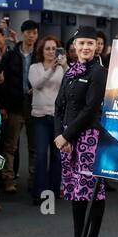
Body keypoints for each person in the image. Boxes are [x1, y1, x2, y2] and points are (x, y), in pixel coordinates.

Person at [54, 27, 107, 237]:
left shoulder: (98, 72)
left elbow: (90, 110)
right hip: (68, 140)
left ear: (96, 47)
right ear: (74, 47)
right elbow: (58, 106)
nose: (85, 47)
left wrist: (67, 135)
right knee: (75, 193)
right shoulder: (70, 72)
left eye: (90, 43)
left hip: (88, 139)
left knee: (93, 192)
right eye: (81, 43)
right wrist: (60, 136)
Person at [0, 20, 39, 195]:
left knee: (34, 146)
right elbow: (2, 80)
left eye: (35, 32)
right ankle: (8, 179)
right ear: (23, 34)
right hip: (14, 105)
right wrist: (3, 104)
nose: (32, 36)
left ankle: (33, 180)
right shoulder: (11, 55)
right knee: (10, 145)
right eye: (29, 32)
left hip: (35, 105)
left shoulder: (40, 54)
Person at [28, 35, 66, 206]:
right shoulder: (34, 67)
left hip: (58, 117)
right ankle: (40, 192)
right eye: (48, 48)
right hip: (40, 117)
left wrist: (64, 65)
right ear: (41, 51)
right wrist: (52, 69)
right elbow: (37, 84)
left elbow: (72, 81)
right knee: (41, 155)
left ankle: (54, 189)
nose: (51, 51)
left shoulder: (62, 68)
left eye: (54, 48)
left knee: (58, 156)